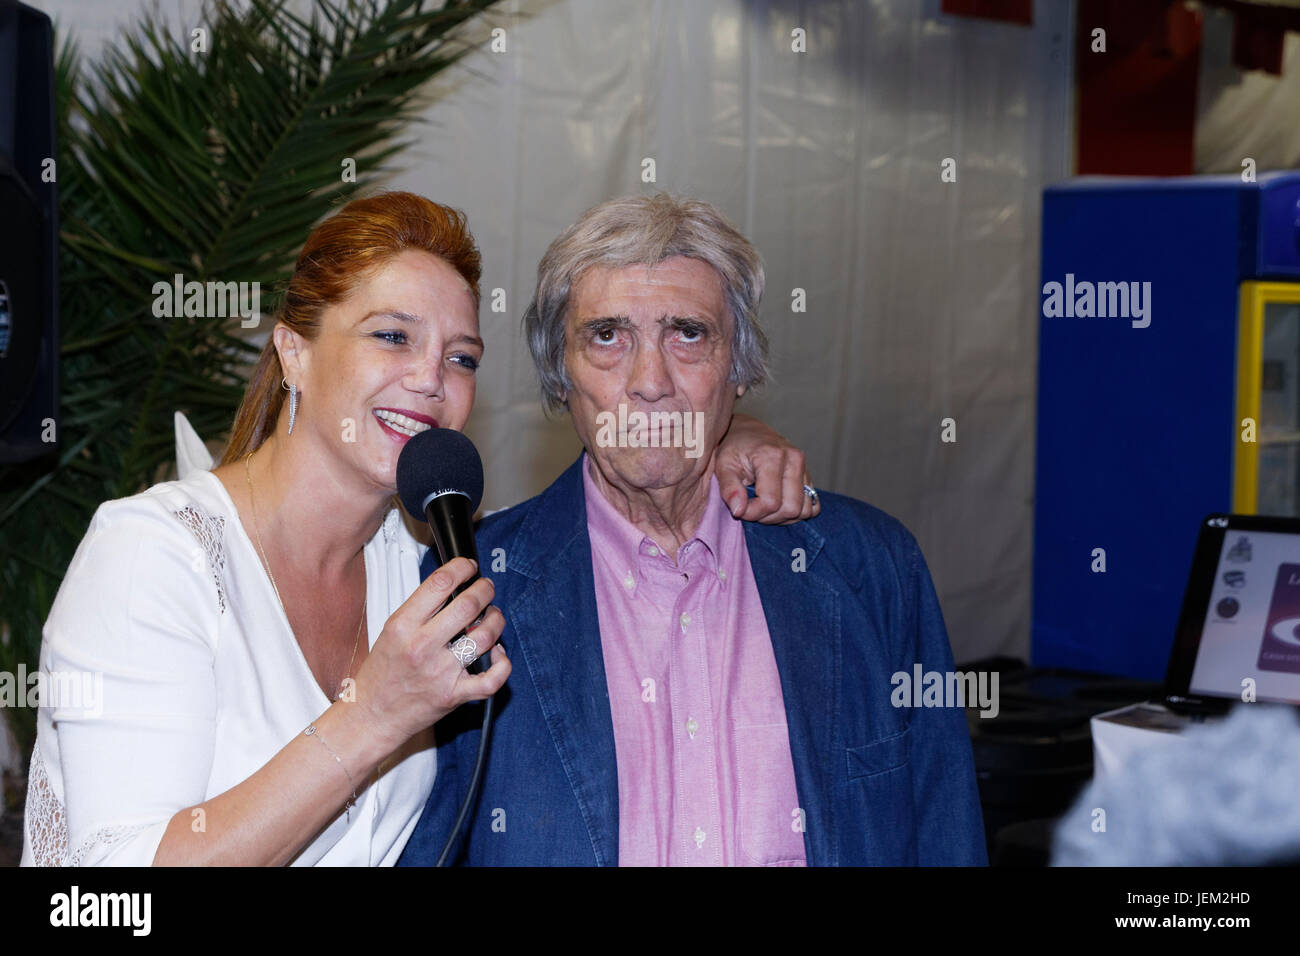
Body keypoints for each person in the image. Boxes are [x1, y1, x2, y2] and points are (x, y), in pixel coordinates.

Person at [19, 192, 817, 867]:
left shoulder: (426, 566)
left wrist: (726, 439)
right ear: (293, 353)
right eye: (392, 337)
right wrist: (371, 714)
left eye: (462, 358)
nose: (431, 380)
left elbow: (610, 491)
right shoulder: (156, 557)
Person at [400, 193, 987, 866]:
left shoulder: (872, 567)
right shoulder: (476, 588)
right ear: (560, 376)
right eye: (607, 336)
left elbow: (946, 830)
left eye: (688, 334)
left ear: (739, 370)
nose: (651, 382)